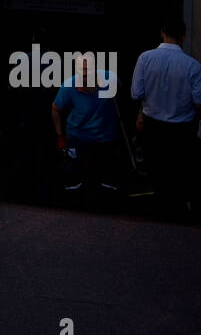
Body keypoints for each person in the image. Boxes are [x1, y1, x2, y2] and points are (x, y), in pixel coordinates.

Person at [131, 15, 201, 219]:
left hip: (153, 126)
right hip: (182, 128)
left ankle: (159, 214)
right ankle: (177, 214)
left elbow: (136, 93)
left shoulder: (145, 58)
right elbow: (199, 102)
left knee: (156, 173)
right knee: (178, 174)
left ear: (162, 33)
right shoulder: (193, 66)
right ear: (184, 37)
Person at [52, 53, 119, 197]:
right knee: (75, 182)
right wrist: (60, 136)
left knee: (106, 184)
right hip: (77, 135)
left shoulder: (111, 80)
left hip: (104, 136)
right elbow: (55, 109)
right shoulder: (69, 86)